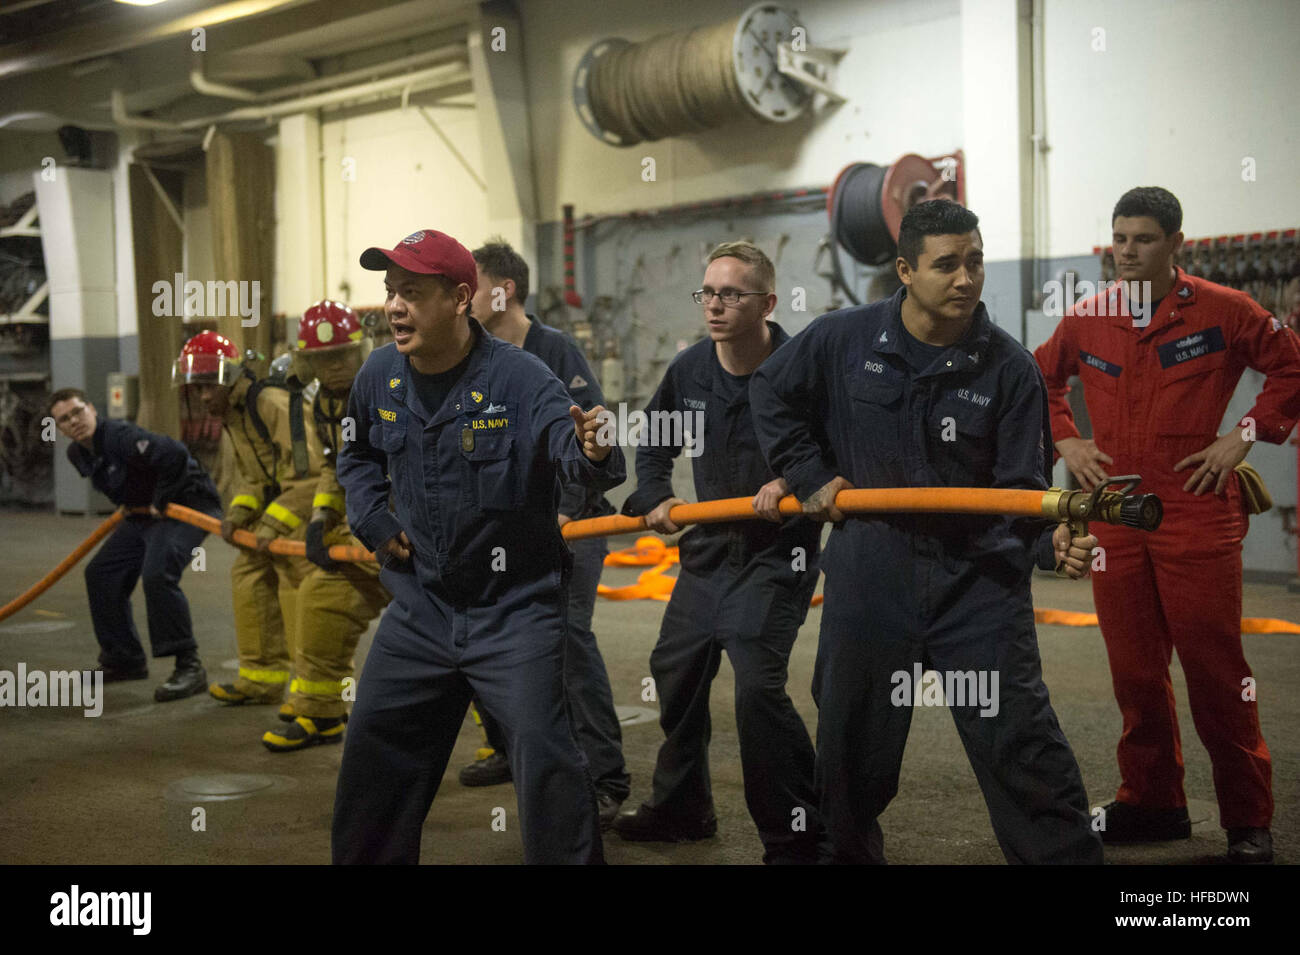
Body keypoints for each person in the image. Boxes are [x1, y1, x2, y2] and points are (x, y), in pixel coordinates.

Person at [750, 200, 1102, 864]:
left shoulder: (1010, 369)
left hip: (980, 581)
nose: (966, 277)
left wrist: (1048, 541)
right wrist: (807, 472)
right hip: (870, 574)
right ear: (906, 270)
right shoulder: (841, 340)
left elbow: (1022, 494)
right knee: (850, 757)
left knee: (1023, 747)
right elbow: (771, 392)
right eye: (947, 264)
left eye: (975, 261)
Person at [332, 228, 625, 864]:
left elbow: (571, 452)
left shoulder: (521, 379)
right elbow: (354, 455)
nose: (394, 306)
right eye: (390, 292)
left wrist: (592, 448)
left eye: (411, 292)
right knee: (373, 756)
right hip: (418, 610)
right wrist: (373, 519)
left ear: (461, 298)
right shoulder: (379, 376)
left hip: (513, 609)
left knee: (547, 760)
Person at [1034, 186, 1300, 864]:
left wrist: (1243, 433)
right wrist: (1065, 440)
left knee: (1217, 671)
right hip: (1115, 512)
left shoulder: (1224, 310)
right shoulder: (1088, 318)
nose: (1127, 251)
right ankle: (1152, 803)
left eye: (1143, 238)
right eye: (1119, 238)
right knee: (1135, 671)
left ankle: (1248, 819)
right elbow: (1038, 379)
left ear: (1176, 242)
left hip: (1195, 506)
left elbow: (1290, 366)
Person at [610, 240, 826, 863]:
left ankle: (799, 835)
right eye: (708, 292)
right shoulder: (691, 371)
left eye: (731, 293)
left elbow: (837, 448)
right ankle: (683, 809)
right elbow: (652, 445)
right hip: (706, 554)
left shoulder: (798, 366)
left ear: (767, 303)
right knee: (674, 674)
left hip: (774, 555)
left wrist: (792, 480)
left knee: (757, 690)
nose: (715, 305)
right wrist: (653, 494)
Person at [453, 239, 631, 828]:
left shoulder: (556, 352)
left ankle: (605, 778)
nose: (460, 298)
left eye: (470, 286)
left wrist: (565, 511)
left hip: (572, 526)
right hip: (502, 530)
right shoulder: (470, 357)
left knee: (568, 643)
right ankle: (508, 748)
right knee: (484, 635)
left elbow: (592, 440)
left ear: (501, 292)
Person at [260, 301, 391, 752]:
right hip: (369, 543)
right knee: (321, 596)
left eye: (341, 355)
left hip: (422, 541)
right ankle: (321, 715)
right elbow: (338, 466)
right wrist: (321, 518)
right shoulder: (326, 406)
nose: (333, 367)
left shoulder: (393, 389)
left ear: (361, 351)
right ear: (306, 363)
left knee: (458, 636)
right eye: (322, 358)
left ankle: (503, 740)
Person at [172, 331, 322, 708]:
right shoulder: (234, 414)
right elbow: (252, 478)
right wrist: (239, 513)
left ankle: (313, 697)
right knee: (247, 576)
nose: (205, 396)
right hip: (277, 512)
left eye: (210, 386)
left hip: (308, 509)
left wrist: (273, 524)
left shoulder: (269, 402)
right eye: (198, 388)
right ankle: (261, 679)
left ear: (231, 375)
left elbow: (312, 475)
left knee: (299, 590)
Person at [49, 387, 220, 702]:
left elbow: (176, 455)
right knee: (101, 573)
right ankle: (123, 658)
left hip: (187, 504)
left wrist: (160, 498)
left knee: (157, 573)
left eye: (78, 412)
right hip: (144, 514)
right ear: (58, 429)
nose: (74, 421)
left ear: (92, 410)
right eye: (64, 419)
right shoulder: (78, 454)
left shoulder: (120, 436)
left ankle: (189, 666)